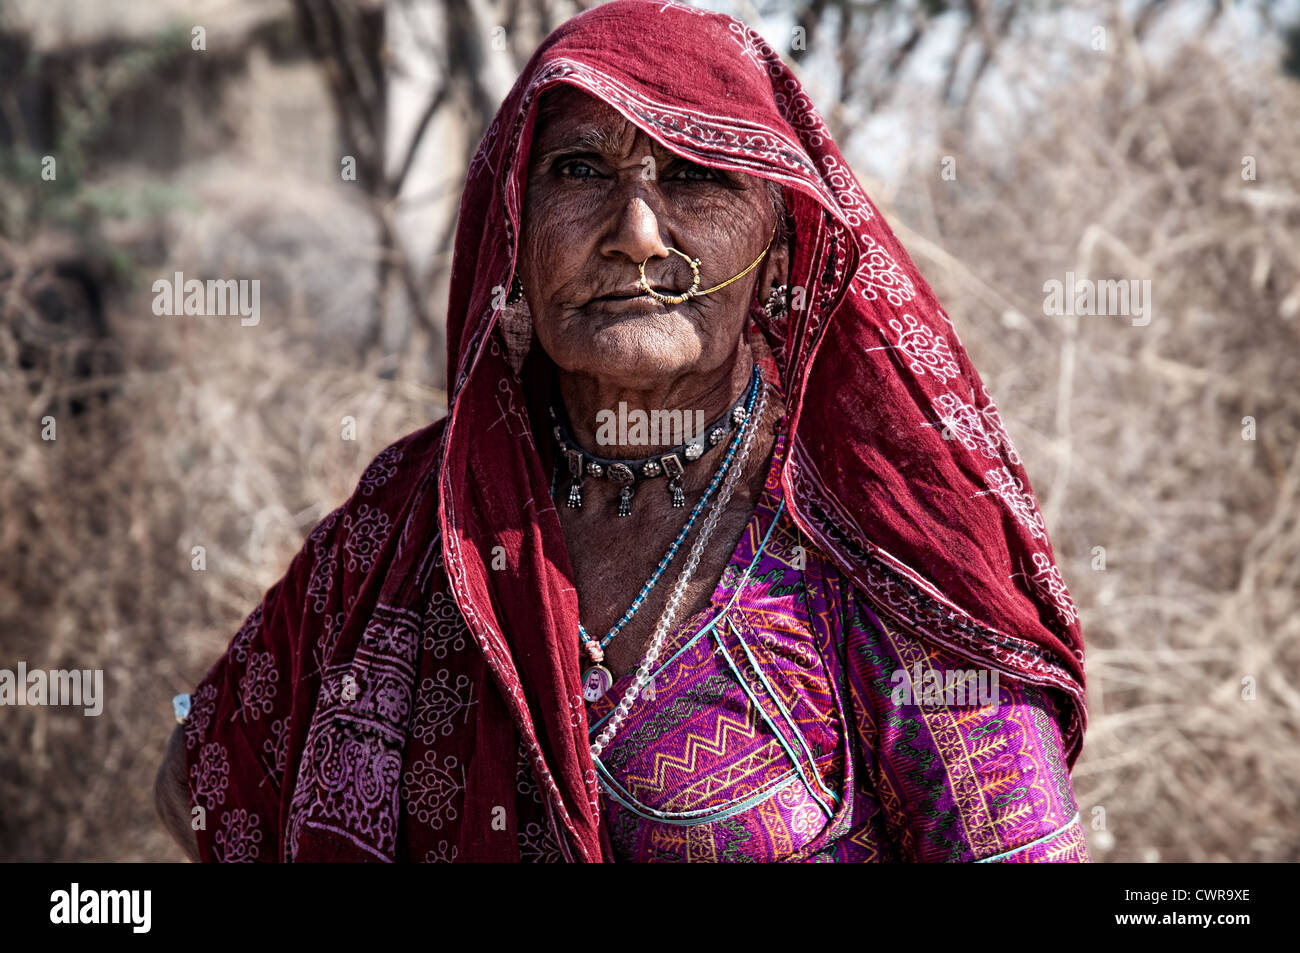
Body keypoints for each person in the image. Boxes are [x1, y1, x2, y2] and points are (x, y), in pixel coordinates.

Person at [156, 0, 1089, 862]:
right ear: (511, 232)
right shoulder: (411, 518)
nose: (637, 230)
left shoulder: (877, 553)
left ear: (778, 244)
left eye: (695, 174)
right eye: (579, 169)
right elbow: (203, 774)